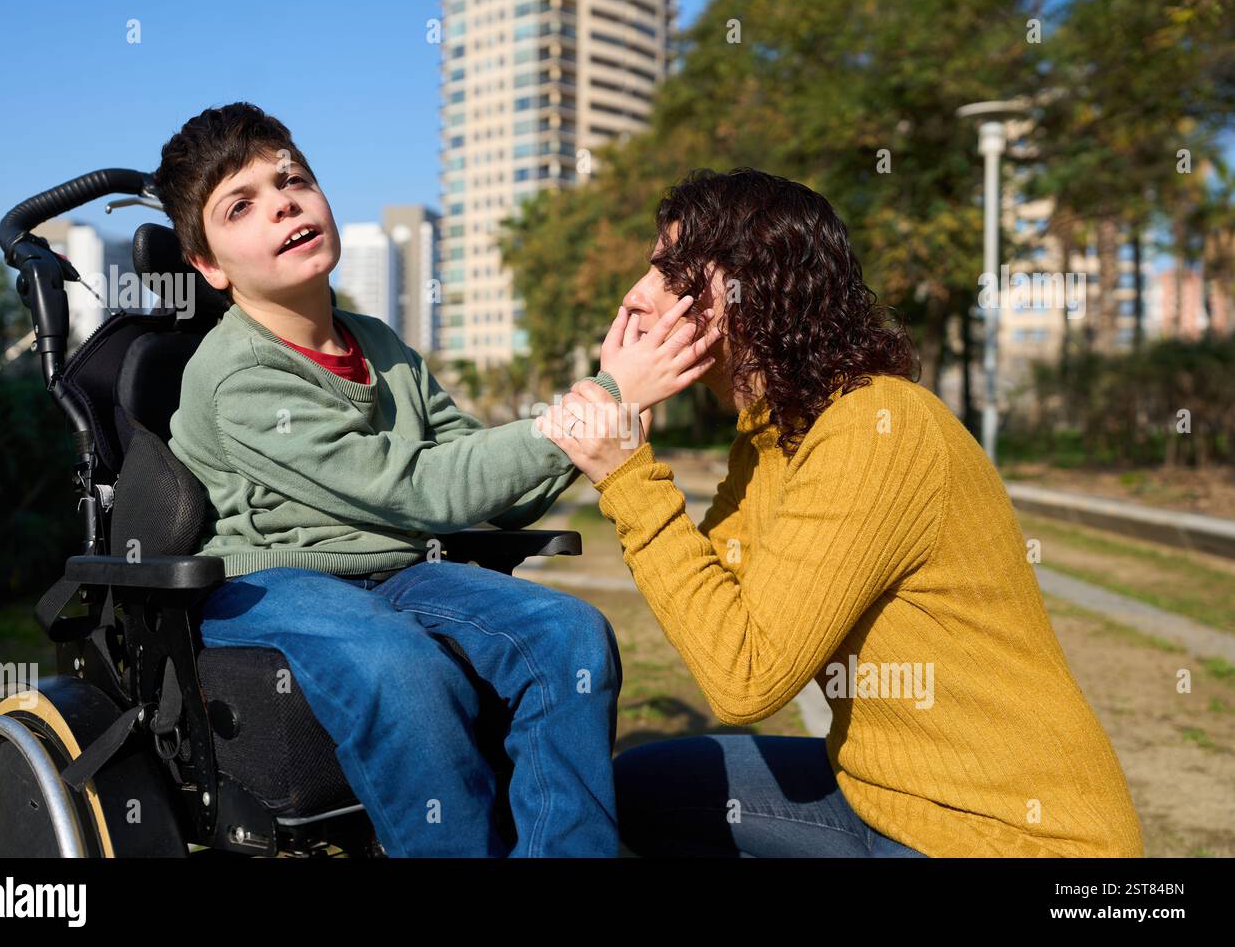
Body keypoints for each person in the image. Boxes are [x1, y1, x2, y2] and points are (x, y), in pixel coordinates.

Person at [156, 103, 719, 857]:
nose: (282, 202)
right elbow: (420, 487)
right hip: (272, 583)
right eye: (241, 206)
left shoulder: (379, 343)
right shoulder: (237, 374)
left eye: (293, 179)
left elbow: (488, 481)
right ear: (211, 267)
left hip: (395, 569)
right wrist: (604, 399)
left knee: (569, 634)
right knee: (405, 672)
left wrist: (606, 410)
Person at [539, 167, 1144, 858]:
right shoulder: (775, 430)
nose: (636, 297)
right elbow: (717, 616)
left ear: (757, 287)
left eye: (672, 273)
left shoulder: (877, 427)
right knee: (640, 788)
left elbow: (745, 681)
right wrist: (625, 403)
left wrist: (627, 474)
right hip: (880, 797)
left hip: (1009, 836)